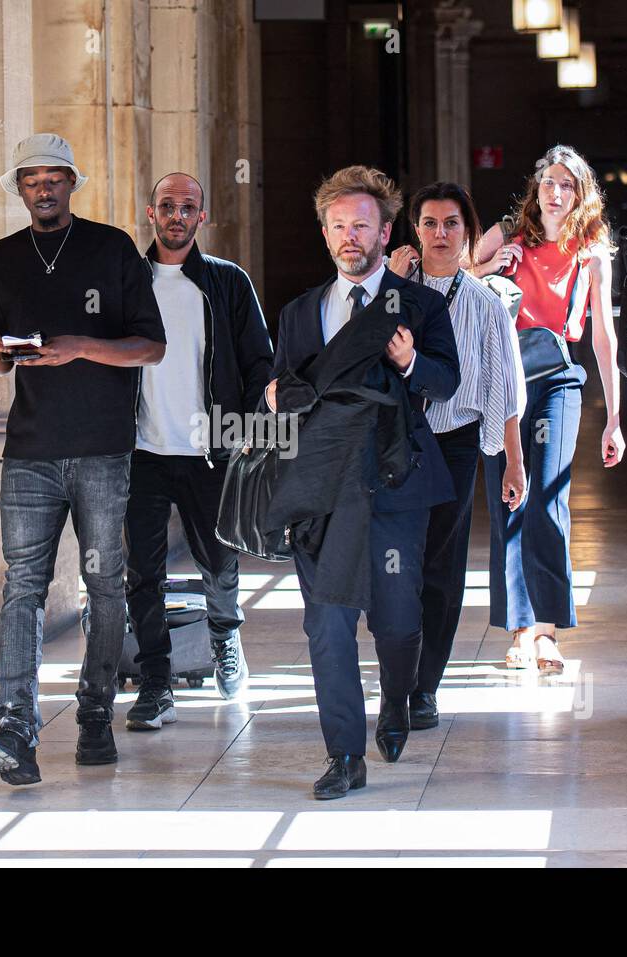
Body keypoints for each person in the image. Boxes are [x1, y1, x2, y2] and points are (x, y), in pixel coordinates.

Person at [0, 133, 166, 785]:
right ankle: (16, 729)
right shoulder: (1, 258)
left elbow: (151, 348)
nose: (45, 188)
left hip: (104, 449)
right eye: (33, 179)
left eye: (55, 177)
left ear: (72, 184)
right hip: (29, 448)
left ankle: (95, 714)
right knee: (22, 587)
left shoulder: (111, 250)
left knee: (105, 585)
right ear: (20, 189)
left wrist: (84, 345)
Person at [268, 165, 460, 799]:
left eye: (362, 225)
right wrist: (270, 398)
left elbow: (447, 383)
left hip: (394, 482)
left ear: (385, 232)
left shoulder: (421, 305)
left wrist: (411, 362)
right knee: (325, 624)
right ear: (325, 235)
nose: (351, 236)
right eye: (339, 226)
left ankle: (398, 701)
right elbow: (283, 391)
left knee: (398, 621)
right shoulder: (298, 313)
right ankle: (344, 756)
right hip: (320, 492)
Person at [123, 172, 274, 728]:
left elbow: (260, 361)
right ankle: (156, 681)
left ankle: (224, 640)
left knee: (220, 558)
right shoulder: (128, 281)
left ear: (201, 217)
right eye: (167, 206)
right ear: (151, 212)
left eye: (188, 207)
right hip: (139, 449)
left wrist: (254, 428)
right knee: (143, 569)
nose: (177, 215)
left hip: (209, 449)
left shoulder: (227, 283)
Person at [473, 145, 625, 674]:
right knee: (508, 500)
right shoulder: (507, 235)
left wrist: (615, 418)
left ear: (580, 194)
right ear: (535, 189)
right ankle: (518, 629)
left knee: (548, 502)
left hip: (559, 378)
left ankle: (547, 630)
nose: (556, 192)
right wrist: (492, 263)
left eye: (567, 184)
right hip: (503, 379)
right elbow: (454, 276)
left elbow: (603, 334)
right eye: (548, 182)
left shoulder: (592, 249)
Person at [386, 182, 525, 729]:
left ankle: (425, 687)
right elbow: (358, 346)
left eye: (450, 223)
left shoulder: (487, 303)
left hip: (455, 442)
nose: (439, 234)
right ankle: (398, 677)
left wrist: (512, 460)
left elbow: (504, 386)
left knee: (442, 567)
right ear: (414, 231)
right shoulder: (392, 289)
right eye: (428, 223)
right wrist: (391, 284)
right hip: (397, 437)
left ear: (468, 230)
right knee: (397, 563)